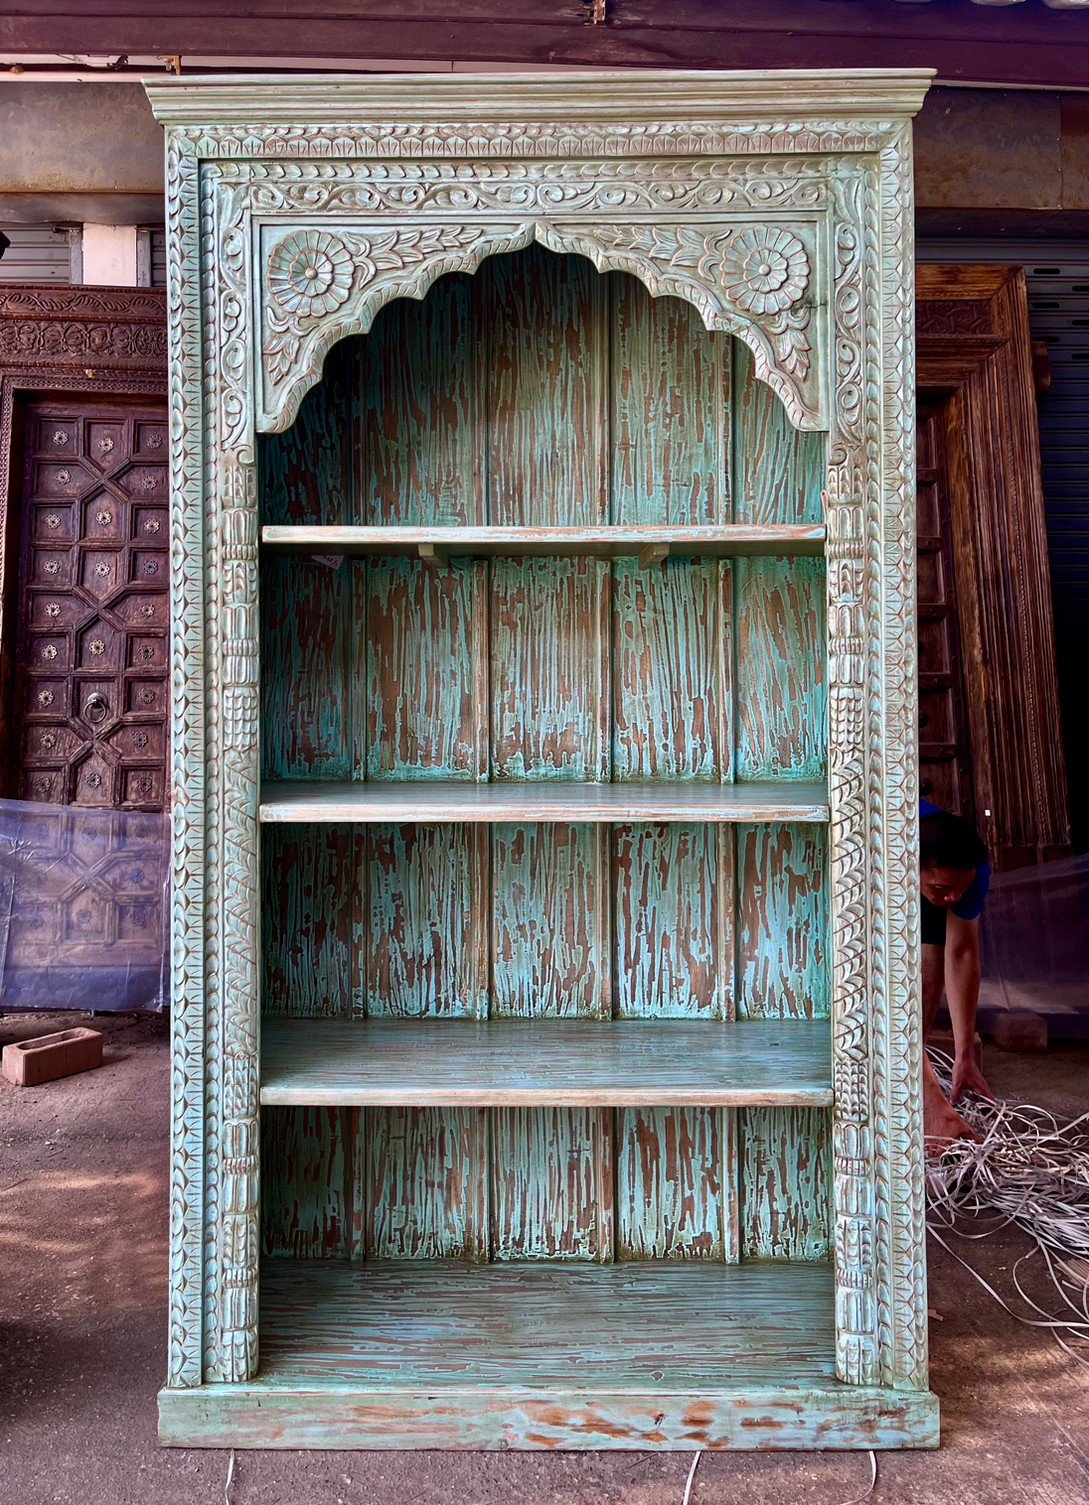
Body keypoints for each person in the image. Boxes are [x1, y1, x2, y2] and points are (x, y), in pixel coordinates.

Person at [919, 800, 994, 1146]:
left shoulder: (970, 870)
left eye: (961, 889)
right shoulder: (886, 843)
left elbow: (961, 952)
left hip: (931, 880)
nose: (954, 897)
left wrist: (963, 1055)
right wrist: (932, 1102)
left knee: (934, 939)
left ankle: (920, 1067)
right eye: (942, 888)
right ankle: (920, 1092)